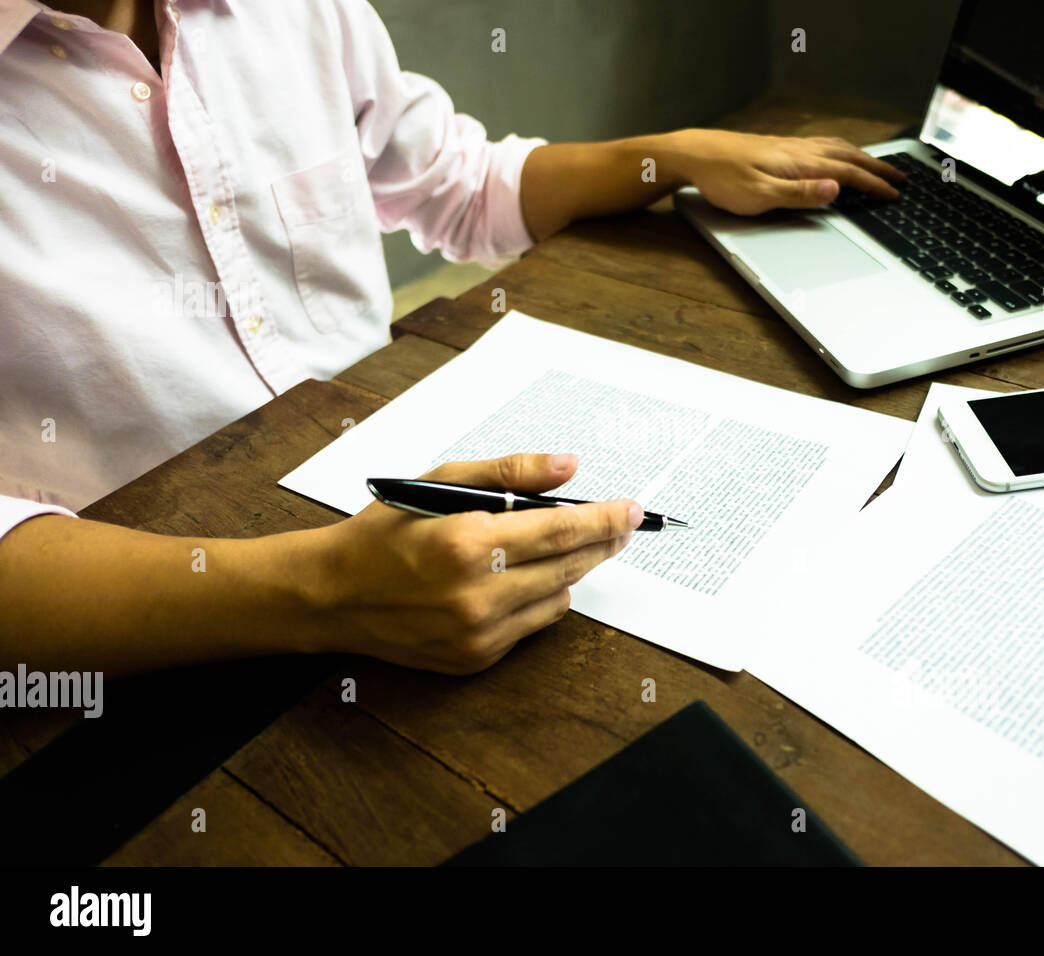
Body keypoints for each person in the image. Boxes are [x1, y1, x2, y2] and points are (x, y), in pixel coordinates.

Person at [0, 0, 904, 677]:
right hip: (149, 628)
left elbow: (454, 183)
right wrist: (323, 593)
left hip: (409, 523)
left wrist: (668, 158)